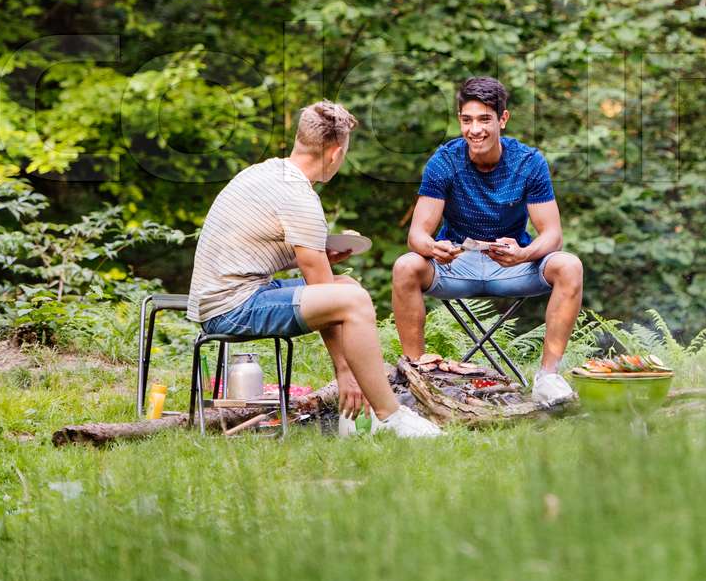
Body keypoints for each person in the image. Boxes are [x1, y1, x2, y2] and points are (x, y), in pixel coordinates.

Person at [188, 101, 441, 438]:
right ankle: (389, 416)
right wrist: (344, 370)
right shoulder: (300, 197)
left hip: (228, 296)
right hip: (231, 308)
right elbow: (324, 293)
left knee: (347, 283)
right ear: (335, 154)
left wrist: (317, 256)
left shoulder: (267, 171)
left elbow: (256, 249)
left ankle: (359, 419)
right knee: (354, 299)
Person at [392, 77, 584, 406]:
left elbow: (553, 234)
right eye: (467, 120)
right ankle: (417, 378)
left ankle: (548, 377)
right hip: (455, 264)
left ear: (502, 119)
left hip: (511, 264)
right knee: (405, 265)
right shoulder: (444, 161)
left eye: (484, 119)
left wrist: (524, 254)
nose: (474, 130)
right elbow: (417, 235)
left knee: (570, 265)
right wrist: (432, 248)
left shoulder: (528, 162)